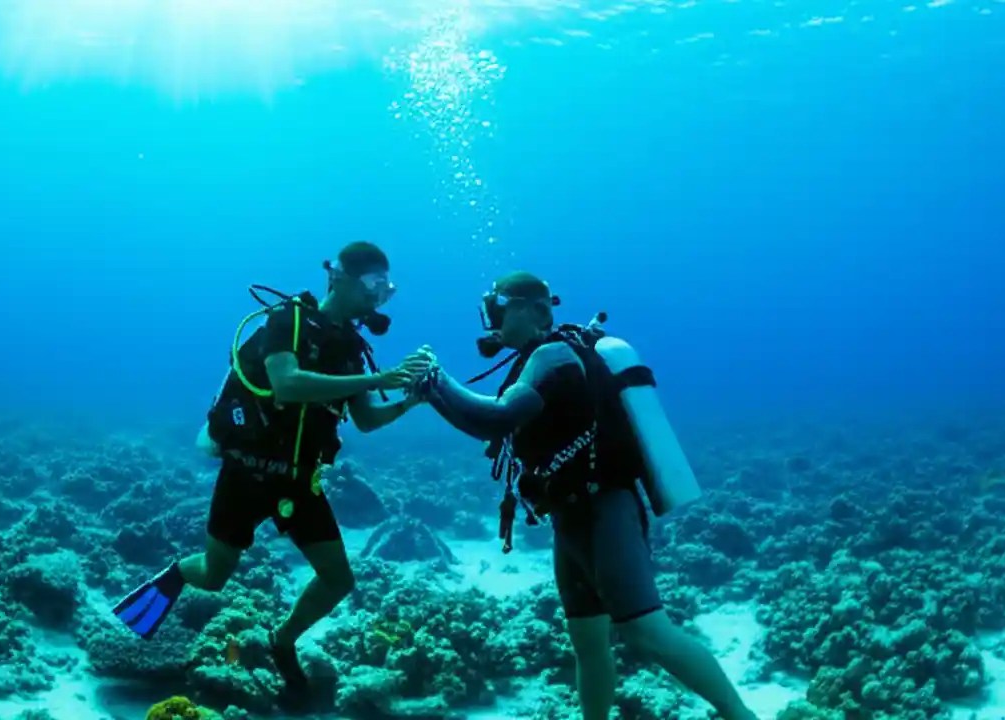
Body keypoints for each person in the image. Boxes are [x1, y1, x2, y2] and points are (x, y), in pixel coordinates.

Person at [410, 272, 758, 720]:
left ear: (534, 310)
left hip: (603, 509)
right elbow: (492, 420)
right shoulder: (538, 360)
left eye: (498, 310)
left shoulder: (554, 356)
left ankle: (740, 714)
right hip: (571, 518)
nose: (491, 322)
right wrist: (435, 392)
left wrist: (436, 379)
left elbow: (495, 419)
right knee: (588, 642)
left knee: (647, 632)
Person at [113, 241, 431, 693]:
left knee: (338, 580)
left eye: (387, 289)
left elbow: (366, 420)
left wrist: (411, 400)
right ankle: (176, 574)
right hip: (246, 473)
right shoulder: (288, 321)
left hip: (301, 482)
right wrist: (381, 378)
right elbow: (287, 383)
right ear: (338, 278)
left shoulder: (350, 349)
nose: (378, 298)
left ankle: (281, 640)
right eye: (374, 285)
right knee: (214, 575)